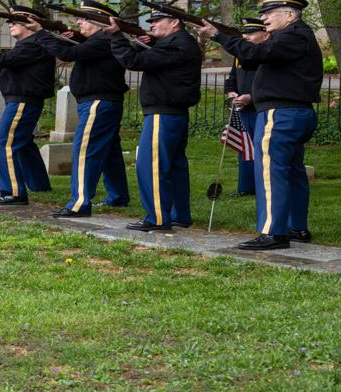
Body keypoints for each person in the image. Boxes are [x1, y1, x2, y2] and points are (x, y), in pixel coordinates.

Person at [197, 0, 319, 249]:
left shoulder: (293, 35)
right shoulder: (290, 37)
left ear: (288, 14)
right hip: (290, 111)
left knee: (270, 172)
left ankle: (273, 232)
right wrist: (240, 41)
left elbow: (256, 54)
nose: (263, 17)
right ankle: (296, 227)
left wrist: (218, 36)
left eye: (269, 12)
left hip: (281, 113)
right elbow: (252, 59)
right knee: (292, 171)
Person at [32, 2, 131, 218]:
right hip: (102, 101)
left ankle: (79, 202)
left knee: (85, 151)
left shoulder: (103, 40)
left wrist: (41, 33)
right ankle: (118, 197)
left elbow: (69, 53)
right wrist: (66, 34)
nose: (78, 22)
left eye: (83, 19)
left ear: (98, 22)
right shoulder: (101, 40)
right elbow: (80, 47)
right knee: (109, 152)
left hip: (98, 102)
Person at [109, 9, 202, 231]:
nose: (152, 24)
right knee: (174, 165)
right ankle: (179, 215)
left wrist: (116, 36)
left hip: (164, 112)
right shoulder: (179, 43)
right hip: (172, 111)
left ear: (175, 22)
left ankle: (157, 218)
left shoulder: (177, 44)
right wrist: (145, 42)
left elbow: (132, 61)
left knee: (151, 165)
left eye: (157, 20)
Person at [0, 7, 56, 205]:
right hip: (23, 99)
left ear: (29, 23)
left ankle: (13, 192)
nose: (9, 24)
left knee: (3, 144)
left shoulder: (32, 45)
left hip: (22, 100)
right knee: (24, 143)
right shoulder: (28, 44)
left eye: (13, 21)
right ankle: (39, 183)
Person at [221, 18, 267, 197]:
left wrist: (252, 98)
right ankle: (245, 187)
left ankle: (262, 187)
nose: (245, 37)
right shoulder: (241, 54)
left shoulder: (269, 54)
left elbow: (271, 84)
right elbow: (232, 77)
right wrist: (231, 92)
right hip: (242, 109)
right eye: (244, 33)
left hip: (260, 109)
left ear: (265, 34)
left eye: (251, 33)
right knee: (245, 149)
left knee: (262, 149)